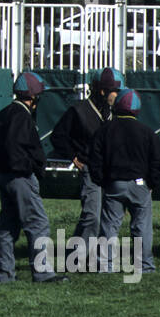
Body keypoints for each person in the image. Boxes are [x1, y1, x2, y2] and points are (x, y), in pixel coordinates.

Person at [0, 71, 67, 284]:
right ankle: (43, 273)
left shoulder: (4, 113)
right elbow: (18, 149)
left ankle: (3, 275)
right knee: (38, 223)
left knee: (8, 227)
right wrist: (31, 168)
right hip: (20, 177)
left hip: (4, 175)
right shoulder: (22, 116)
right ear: (33, 97)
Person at [88, 88, 160, 274]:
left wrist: (101, 181)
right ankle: (144, 266)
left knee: (109, 227)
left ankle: (105, 266)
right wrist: (151, 183)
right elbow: (159, 160)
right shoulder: (147, 132)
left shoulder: (105, 130)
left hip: (114, 184)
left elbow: (95, 158)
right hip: (140, 185)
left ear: (116, 106)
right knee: (142, 228)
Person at [51, 67, 123, 243]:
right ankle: (78, 256)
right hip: (90, 169)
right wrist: (73, 156)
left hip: (112, 170)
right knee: (92, 216)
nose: (117, 95)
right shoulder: (78, 110)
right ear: (102, 91)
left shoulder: (117, 112)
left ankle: (88, 254)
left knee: (109, 216)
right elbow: (58, 136)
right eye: (114, 90)